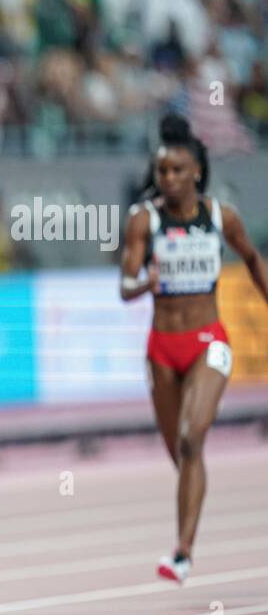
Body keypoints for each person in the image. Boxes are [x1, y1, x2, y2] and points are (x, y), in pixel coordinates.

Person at [120, 114, 268, 583]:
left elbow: (251, 258)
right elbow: (124, 285)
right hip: (161, 347)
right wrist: (146, 282)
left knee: (190, 438)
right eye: (162, 172)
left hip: (209, 341)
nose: (168, 179)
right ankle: (189, 525)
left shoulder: (221, 216)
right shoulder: (143, 219)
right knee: (181, 453)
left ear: (196, 172)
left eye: (177, 171)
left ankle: (182, 552)